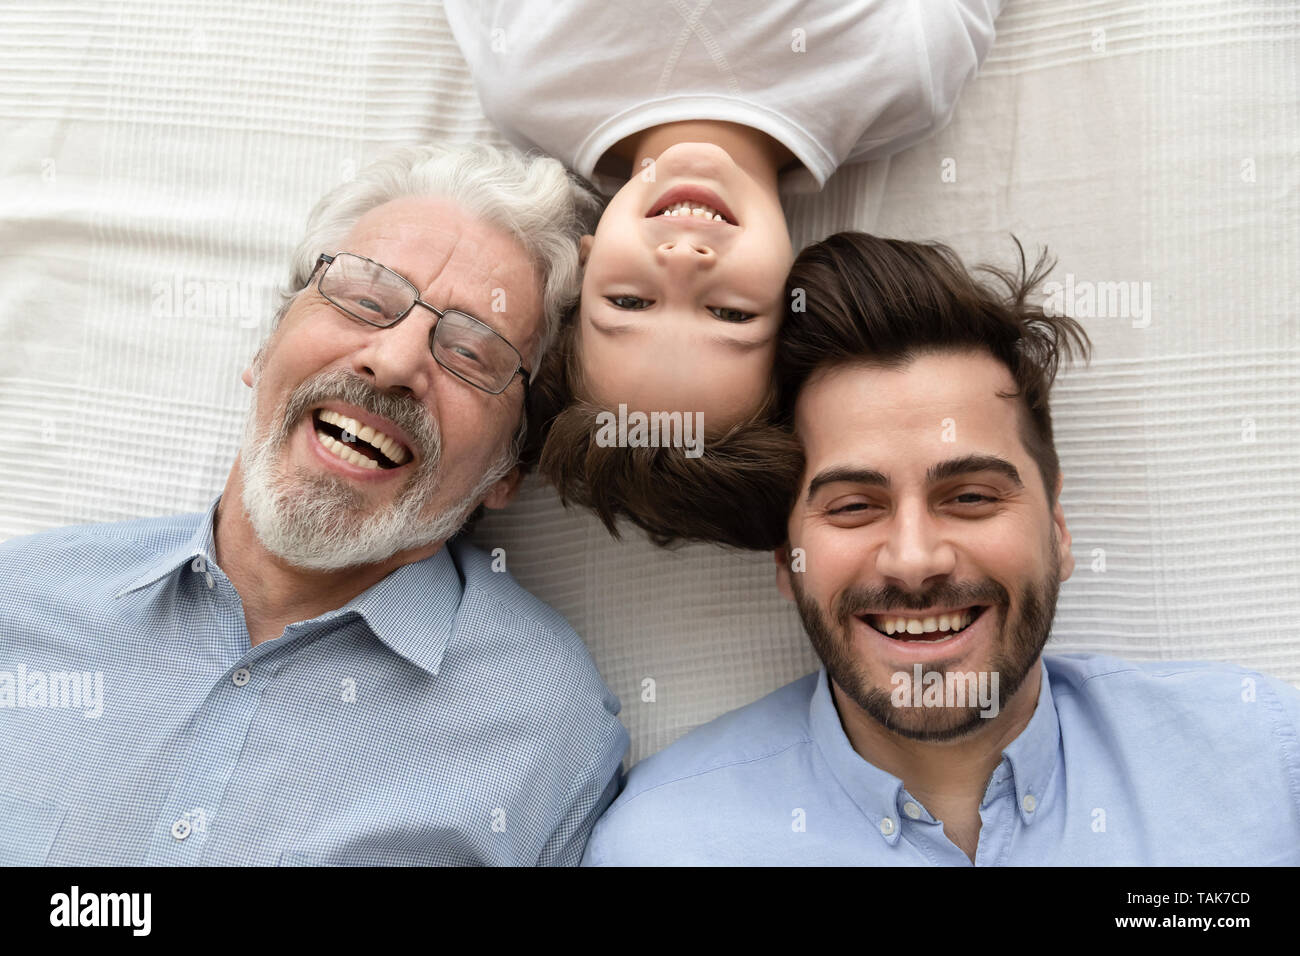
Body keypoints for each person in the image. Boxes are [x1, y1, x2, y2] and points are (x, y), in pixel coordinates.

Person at [581, 232, 1300, 865]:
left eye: (971, 497)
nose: (916, 559)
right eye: (855, 507)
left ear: (1058, 530)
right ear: (784, 559)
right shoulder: (663, 846)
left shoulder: (1262, 760)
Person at [0, 142, 628, 866]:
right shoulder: (21, 605)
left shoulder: (551, 733)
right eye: (366, 300)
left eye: (470, 353)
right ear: (267, 344)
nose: (392, 362)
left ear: (507, 469)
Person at [444, 0, 1003, 549]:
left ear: (583, 264)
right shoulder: (906, 76)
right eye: (730, 313)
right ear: (797, 295)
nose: (683, 262)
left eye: (630, 302)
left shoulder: (525, 82)